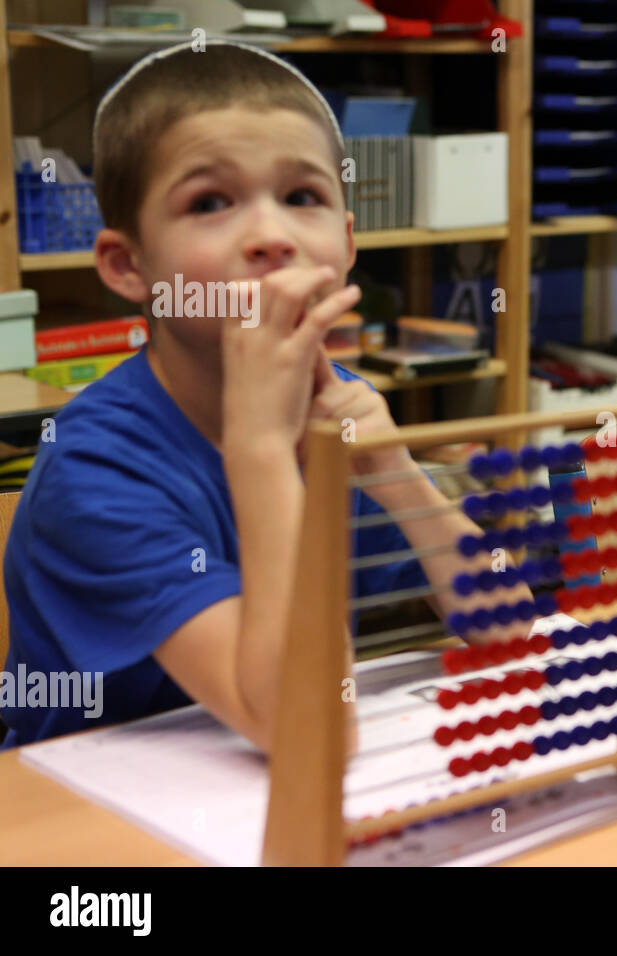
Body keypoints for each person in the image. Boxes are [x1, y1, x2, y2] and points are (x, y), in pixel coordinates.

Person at [2, 42, 533, 750]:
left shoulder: (340, 406)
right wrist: (259, 447)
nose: (271, 236)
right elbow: (305, 729)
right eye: (210, 202)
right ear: (128, 265)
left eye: (301, 197)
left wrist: (398, 475)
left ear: (345, 244)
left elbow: (510, 628)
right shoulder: (92, 471)